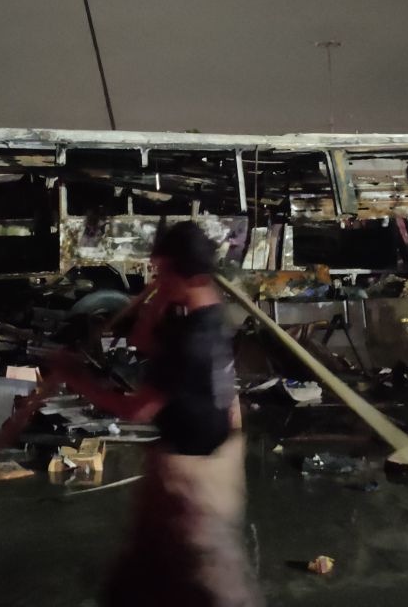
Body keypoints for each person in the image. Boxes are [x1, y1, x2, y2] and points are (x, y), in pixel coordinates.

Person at [53, 221, 262, 607]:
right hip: (200, 465)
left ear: (189, 274)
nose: (155, 277)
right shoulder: (210, 316)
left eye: (162, 271)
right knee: (141, 583)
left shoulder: (191, 341)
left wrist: (73, 379)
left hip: (193, 485)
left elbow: (138, 409)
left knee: (208, 586)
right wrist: (161, 295)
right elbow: (142, 340)